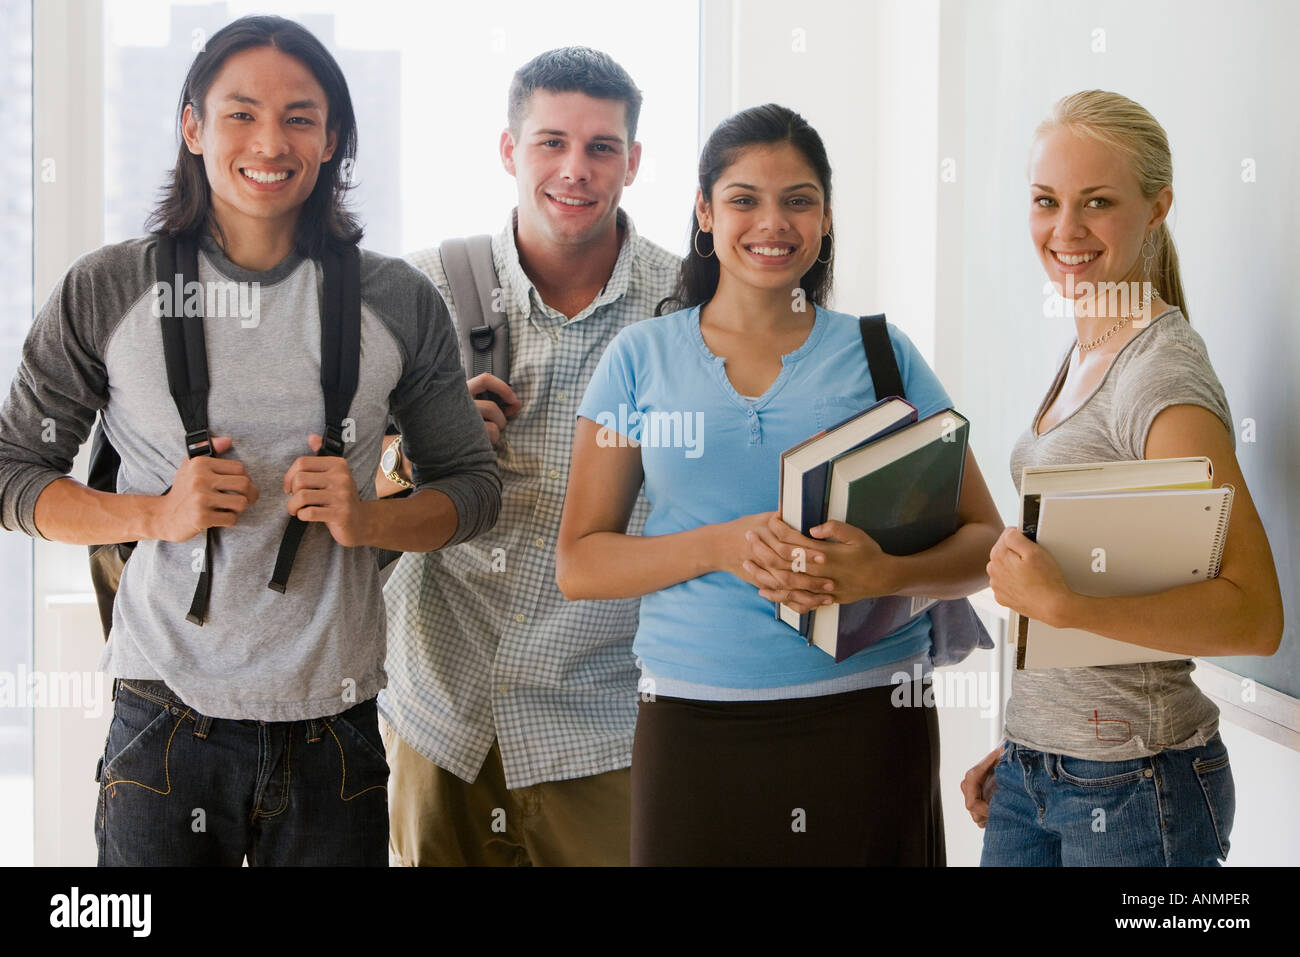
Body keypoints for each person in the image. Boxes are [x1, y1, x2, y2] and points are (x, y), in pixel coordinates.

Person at [0, 15, 500, 866]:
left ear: (333, 136)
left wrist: (372, 519)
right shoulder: (109, 286)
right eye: (241, 113)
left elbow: (473, 489)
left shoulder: (399, 298)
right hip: (161, 723)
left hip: (334, 731)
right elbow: (13, 475)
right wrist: (154, 514)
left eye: (300, 117)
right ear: (193, 126)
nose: (271, 141)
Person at [556, 103, 1004, 866]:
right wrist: (723, 545)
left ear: (826, 217)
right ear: (704, 212)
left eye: (799, 199)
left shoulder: (882, 356)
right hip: (694, 724)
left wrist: (884, 573)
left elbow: (986, 541)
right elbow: (580, 562)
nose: (774, 222)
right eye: (744, 199)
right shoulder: (639, 359)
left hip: (870, 718)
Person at [962, 90, 1284, 867]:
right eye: (1046, 202)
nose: (1064, 232)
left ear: (1157, 207)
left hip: (1138, 783)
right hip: (1040, 770)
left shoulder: (1159, 374)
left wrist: (1067, 605)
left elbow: (1254, 614)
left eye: (1097, 203)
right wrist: (1028, 739)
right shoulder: (1086, 350)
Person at [375, 47, 679, 866]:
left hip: (603, 727)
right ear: (510, 152)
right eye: (551, 143)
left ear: (634, 161)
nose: (574, 170)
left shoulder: (686, 309)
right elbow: (344, 487)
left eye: (601, 147)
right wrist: (417, 453)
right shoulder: (421, 289)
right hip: (439, 716)